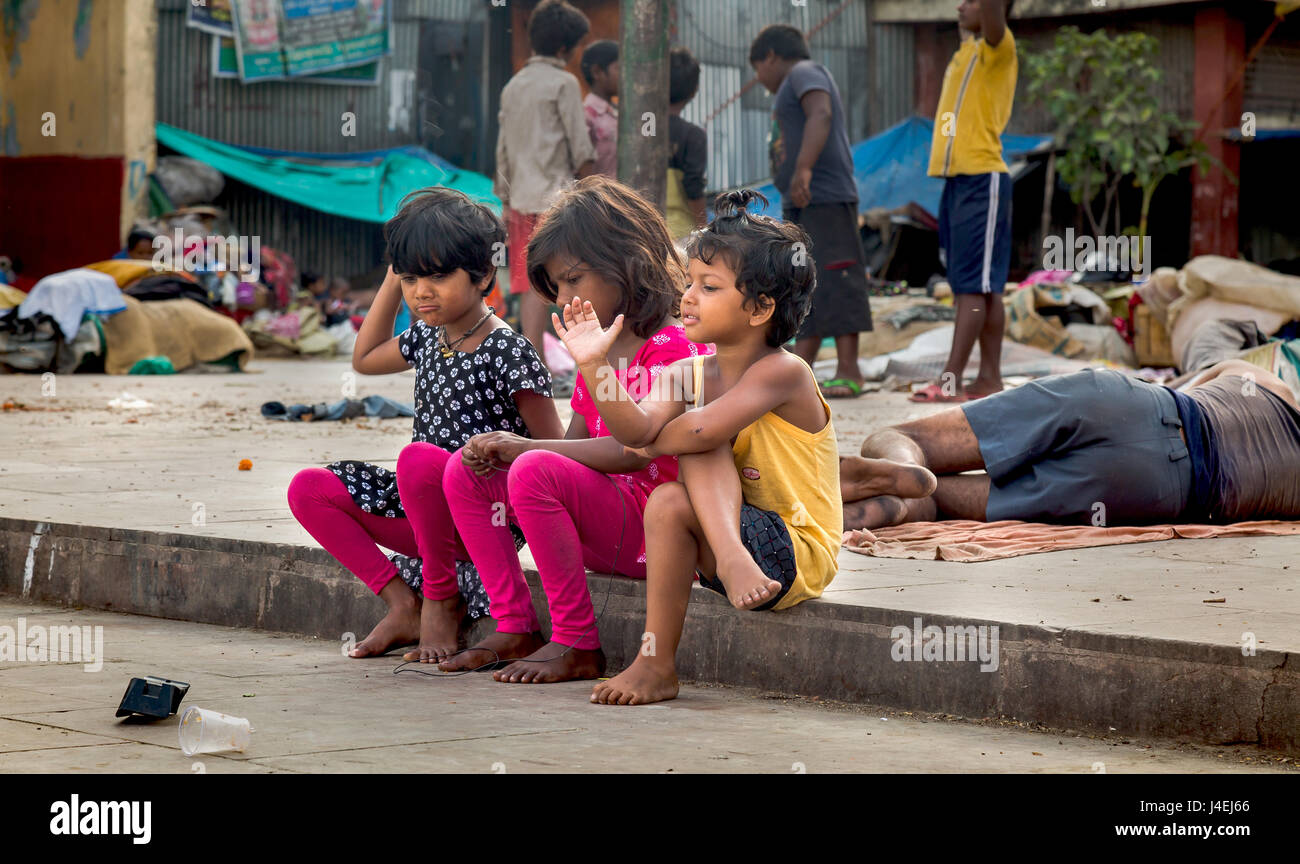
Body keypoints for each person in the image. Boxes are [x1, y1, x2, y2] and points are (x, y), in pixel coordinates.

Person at [553, 189, 841, 706]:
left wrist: (645, 445)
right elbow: (635, 428)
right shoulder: (688, 372)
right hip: (728, 547)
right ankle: (656, 664)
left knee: (699, 435)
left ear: (760, 308)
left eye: (708, 287)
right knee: (669, 496)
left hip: (791, 554)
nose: (687, 297)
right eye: (689, 282)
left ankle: (731, 557)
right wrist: (594, 365)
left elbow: (683, 436)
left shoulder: (784, 372)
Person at [438, 176, 710, 682]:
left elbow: (634, 451)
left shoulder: (671, 347)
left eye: (574, 279)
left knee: (534, 466)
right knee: (464, 471)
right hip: (604, 523)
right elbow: (572, 446)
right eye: (556, 286)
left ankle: (577, 641)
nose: (563, 297)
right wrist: (510, 452)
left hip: (658, 535)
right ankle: (515, 624)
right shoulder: (597, 345)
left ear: (628, 263)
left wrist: (525, 448)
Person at [287, 188, 562, 662]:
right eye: (411, 277)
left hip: (484, 518)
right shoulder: (427, 336)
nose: (421, 292)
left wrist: (501, 456)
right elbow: (365, 359)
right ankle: (404, 604)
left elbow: (553, 448)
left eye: (437, 276)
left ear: (483, 275)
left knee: (418, 460)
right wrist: (394, 274)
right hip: (422, 510)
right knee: (308, 489)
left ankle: (441, 596)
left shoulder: (508, 350)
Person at [841, 361, 1300, 530]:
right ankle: (889, 507)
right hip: (1159, 487)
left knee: (907, 438)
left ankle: (901, 465)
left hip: (1125, 403)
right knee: (941, 500)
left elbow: (1190, 383)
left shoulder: (1268, 384)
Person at [750, 24, 872, 399]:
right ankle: (802, 366)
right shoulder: (792, 84)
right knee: (804, 281)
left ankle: (849, 369)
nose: (759, 78)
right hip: (804, 201)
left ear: (771, 56)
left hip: (825, 197)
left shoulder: (805, 72)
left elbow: (821, 113)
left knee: (838, 277)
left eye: (757, 68)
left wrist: (803, 168)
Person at [912, 0, 1017, 404]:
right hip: (958, 180)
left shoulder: (998, 47)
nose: (959, 5)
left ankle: (950, 381)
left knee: (974, 285)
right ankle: (989, 378)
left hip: (983, 177)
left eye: (971, 0)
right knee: (977, 285)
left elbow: (992, 11)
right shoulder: (965, 52)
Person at [495, 0, 597, 373]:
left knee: (529, 282)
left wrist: (505, 202)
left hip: (521, 200)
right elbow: (580, 147)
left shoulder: (514, 85)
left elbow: (502, 151)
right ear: (564, 47)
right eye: (578, 46)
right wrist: (595, 192)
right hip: (559, 202)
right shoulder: (564, 83)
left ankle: (534, 364)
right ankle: (590, 358)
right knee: (580, 275)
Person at [666, 46, 708, 241]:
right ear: (694, 91)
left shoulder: (643, 128)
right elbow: (693, 188)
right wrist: (705, 230)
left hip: (642, 229)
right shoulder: (693, 135)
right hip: (681, 235)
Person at [581, 39, 620, 179]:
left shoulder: (619, 111)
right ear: (597, 72)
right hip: (599, 191)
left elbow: (650, 134)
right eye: (619, 68)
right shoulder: (587, 114)